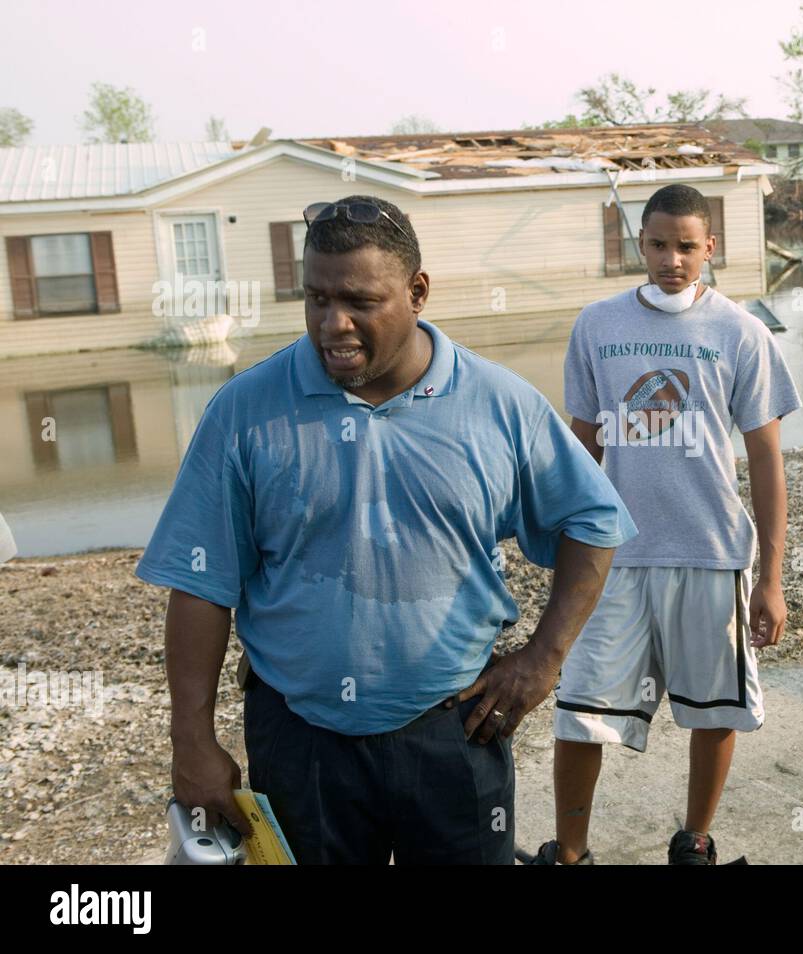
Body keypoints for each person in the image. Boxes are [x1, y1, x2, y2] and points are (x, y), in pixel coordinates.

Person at [136, 194, 636, 864]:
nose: (332, 324)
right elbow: (199, 583)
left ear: (418, 291)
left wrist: (544, 659)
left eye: (359, 301)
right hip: (299, 737)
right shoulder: (246, 412)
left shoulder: (498, 404)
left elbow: (594, 519)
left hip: (455, 731)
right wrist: (190, 741)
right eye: (315, 299)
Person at [531, 184, 802, 864]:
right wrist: (558, 543)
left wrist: (771, 579)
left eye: (687, 246)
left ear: (710, 248)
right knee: (580, 711)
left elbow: (766, 459)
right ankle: (569, 851)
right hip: (613, 559)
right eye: (658, 244)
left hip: (711, 554)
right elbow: (583, 445)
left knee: (715, 711)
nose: (672, 260)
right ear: (639, 244)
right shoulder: (597, 325)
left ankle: (696, 841)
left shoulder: (740, 332)